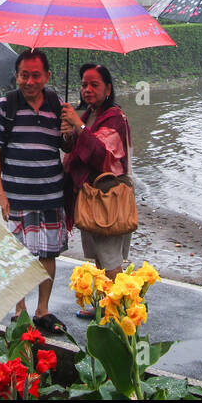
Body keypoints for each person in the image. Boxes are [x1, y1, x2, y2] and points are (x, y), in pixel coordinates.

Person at [0, 49, 68, 335]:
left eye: (36, 75)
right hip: (16, 196)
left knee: (47, 254)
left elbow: (66, 146)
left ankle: (43, 309)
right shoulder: (4, 106)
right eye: (24, 75)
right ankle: (19, 311)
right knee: (18, 255)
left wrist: (72, 126)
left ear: (46, 76)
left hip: (50, 195)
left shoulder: (57, 105)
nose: (29, 81)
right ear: (16, 75)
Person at [61, 63, 134, 315]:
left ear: (108, 88)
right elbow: (77, 148)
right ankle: (106, 303)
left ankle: (121, 310)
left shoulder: (114, 116)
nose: (87, 90)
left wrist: (77, 127)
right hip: (91, 194)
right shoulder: (89, 114)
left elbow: (102, 154)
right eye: (83, 84)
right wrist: (68, 133)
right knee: (100, 256)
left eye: (94, 84)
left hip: (108, 195)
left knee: (111, 256)